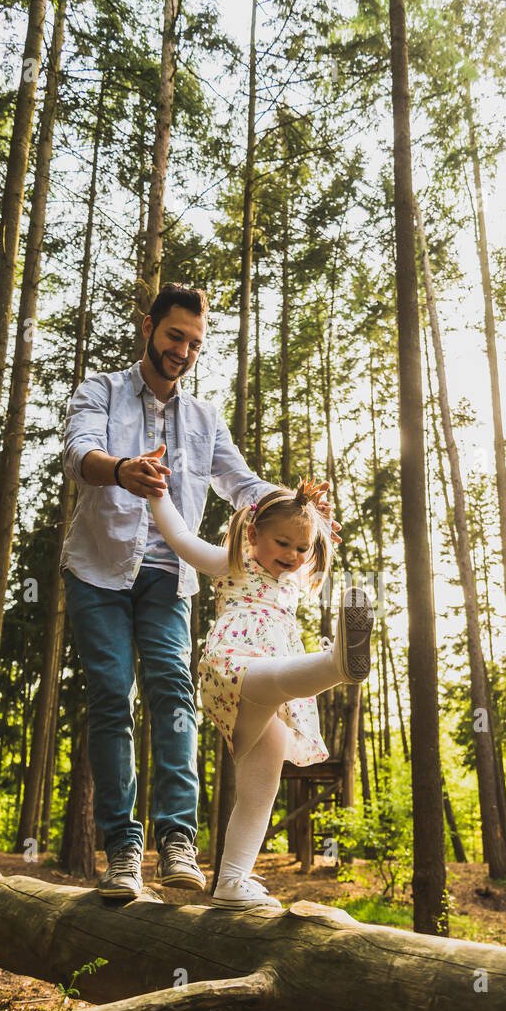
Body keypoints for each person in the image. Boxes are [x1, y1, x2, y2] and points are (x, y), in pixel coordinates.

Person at [60, 282, 340, 902]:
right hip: (98, 571)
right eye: (172, 336)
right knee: (111, 695)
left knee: (171, 692)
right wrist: (119, 469)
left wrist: (301, 511)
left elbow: (240, 483)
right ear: (148, 328)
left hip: (168, 581)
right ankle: (122, 852)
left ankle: (177, 843)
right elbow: (77, 451)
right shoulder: (101, 390)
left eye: (193, 342)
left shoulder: (204, 419)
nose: (181, 350)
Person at [148, 471, 373, 908]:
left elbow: (311, 542)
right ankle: (336, 664)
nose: (291, 555)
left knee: (259, 790)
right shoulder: (232, 561)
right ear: (253, 534)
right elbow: (178, 536)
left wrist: (315, 522)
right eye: (281, 543)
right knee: (277, 677)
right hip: (234, 667)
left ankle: (232, 880)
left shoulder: (294, 581)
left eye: (301, 548)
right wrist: (158, 493)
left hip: (267, 701)